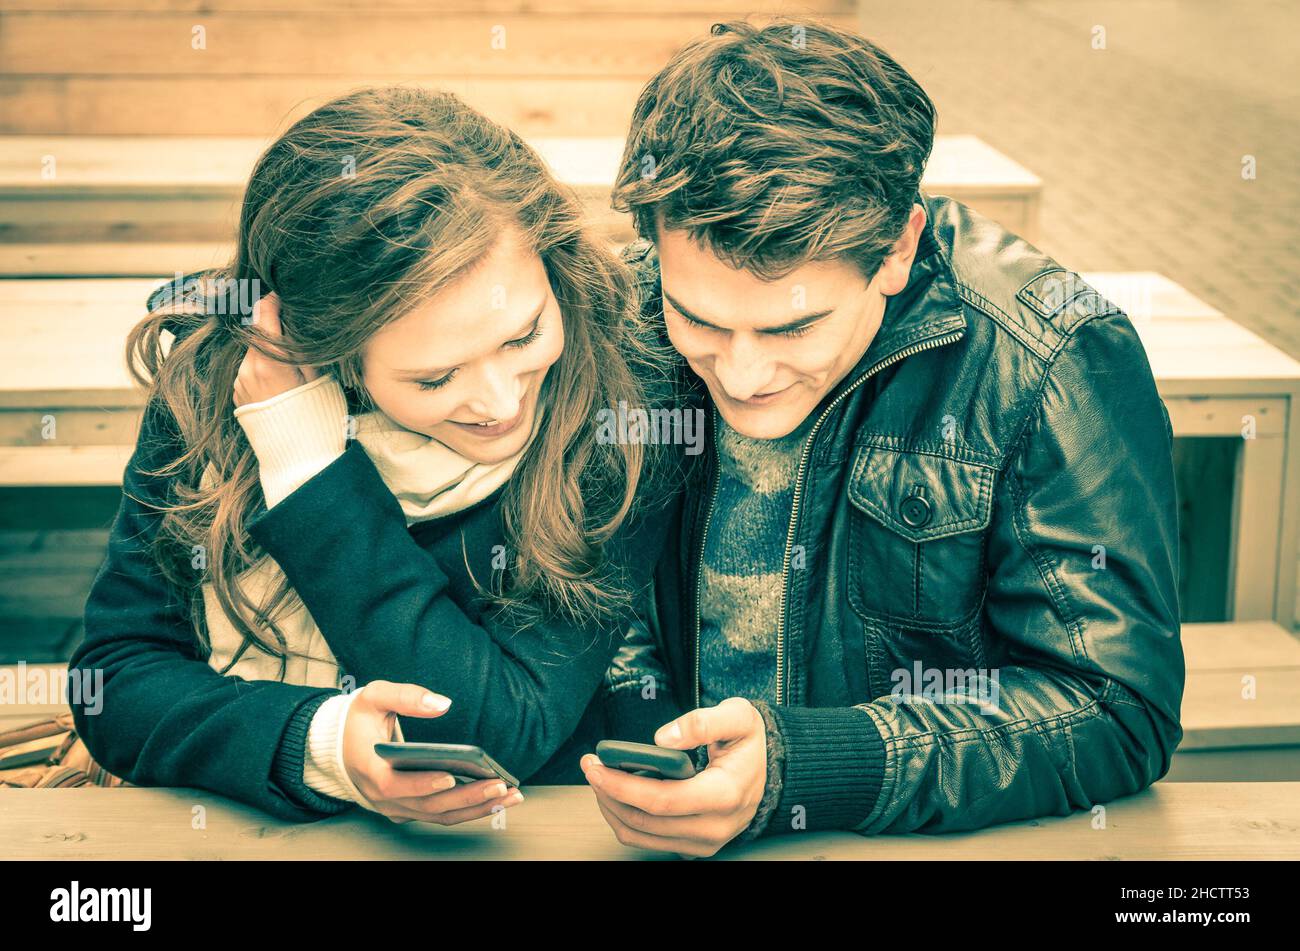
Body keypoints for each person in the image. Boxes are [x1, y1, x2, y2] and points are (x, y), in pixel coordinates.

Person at [582, 18, 1184, 856]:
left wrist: (816, 768)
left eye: (794, 330)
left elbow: (1117, 707)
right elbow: (594, 582)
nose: (742, 375)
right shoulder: (631, 312)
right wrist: (645, 732)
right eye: (701, 320)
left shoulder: (1049, 360)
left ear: (897, 246)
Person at [70, 85, 683, 825]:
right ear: (331, 355)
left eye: (522, 337)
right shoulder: (214, 389)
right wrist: (321, 742)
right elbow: (113, 676)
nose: (500, 402)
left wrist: (311, 475)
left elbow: (502, 727)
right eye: (435, 376)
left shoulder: (621, 409)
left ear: (551, 267)